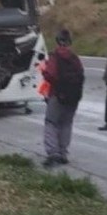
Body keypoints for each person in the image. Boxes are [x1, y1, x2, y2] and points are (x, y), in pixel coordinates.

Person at [42, 28, 85, 166]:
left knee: (51, 122)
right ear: (69, 42)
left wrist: (44, 71)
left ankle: (53, 153)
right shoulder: (74, 57)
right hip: (73, 96)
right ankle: (63, 153)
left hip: (57, 94)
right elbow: (81, 74)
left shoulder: (54, 56)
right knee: (66, 124)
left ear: (57, 41)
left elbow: (50, 75)